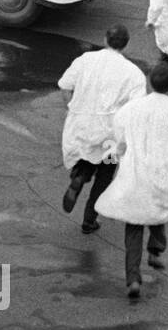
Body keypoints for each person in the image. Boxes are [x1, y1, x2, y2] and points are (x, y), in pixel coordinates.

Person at [95, 62, 168, 299]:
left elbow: (118, 136)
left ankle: (132, 278)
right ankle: (156, 249)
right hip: (161, 176)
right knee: (157, 211)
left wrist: (121, 150)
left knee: (134, 224)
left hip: (134, 175)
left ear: (149, 82)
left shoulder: (131, 109)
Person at [58, 24, 146, 233]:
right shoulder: (134, 74)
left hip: (82, 124)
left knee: (86, 156)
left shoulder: (85, 60)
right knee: (105, 174)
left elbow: (64, 86)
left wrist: (71, 109)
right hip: (110, 136)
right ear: (125, 45)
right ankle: (89, 219)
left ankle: (79, 176)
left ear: (105, 39)